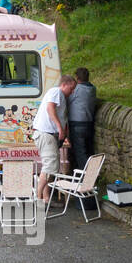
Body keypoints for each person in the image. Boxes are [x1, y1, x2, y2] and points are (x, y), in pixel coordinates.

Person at [35, 75, 77, 204]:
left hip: (49, 135)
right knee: (50, 167)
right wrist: (60, 128)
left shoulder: (62, 97)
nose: (72, 92)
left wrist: (65, 135)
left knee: (49, 167)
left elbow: (62, 118)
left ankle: (46, 198)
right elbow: (50, 108)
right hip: (46, 134)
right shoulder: (56, 92)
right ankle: (37, 198)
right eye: (71, 88)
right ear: (64, 84)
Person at [68, 67, 97, 171]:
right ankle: (92, 173)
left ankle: (87, 176)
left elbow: (67, 100)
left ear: (77, 77)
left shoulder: (77, 89)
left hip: (77, 124)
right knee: (89, 151)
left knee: (80, 152)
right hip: (89, 123)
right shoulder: (93, 89)